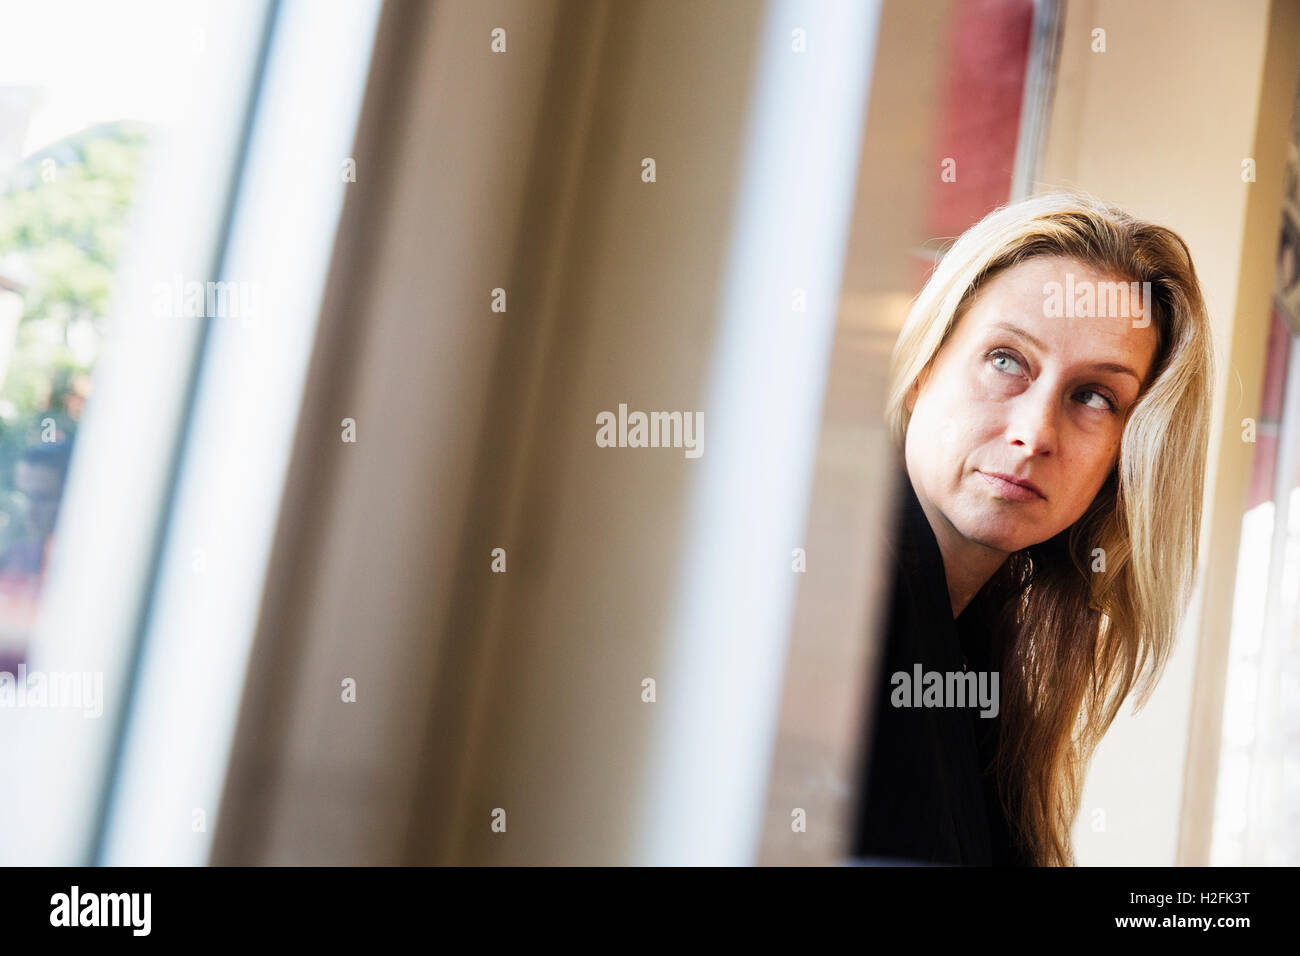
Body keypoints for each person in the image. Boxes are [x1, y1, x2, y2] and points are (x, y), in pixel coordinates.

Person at [851, 192, 1214, 866]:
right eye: (1006, 359)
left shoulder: (989, 656)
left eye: (1094, 397)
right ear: (923, 368)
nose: (1034, 433)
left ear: (1123, 461)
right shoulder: (837, 596)